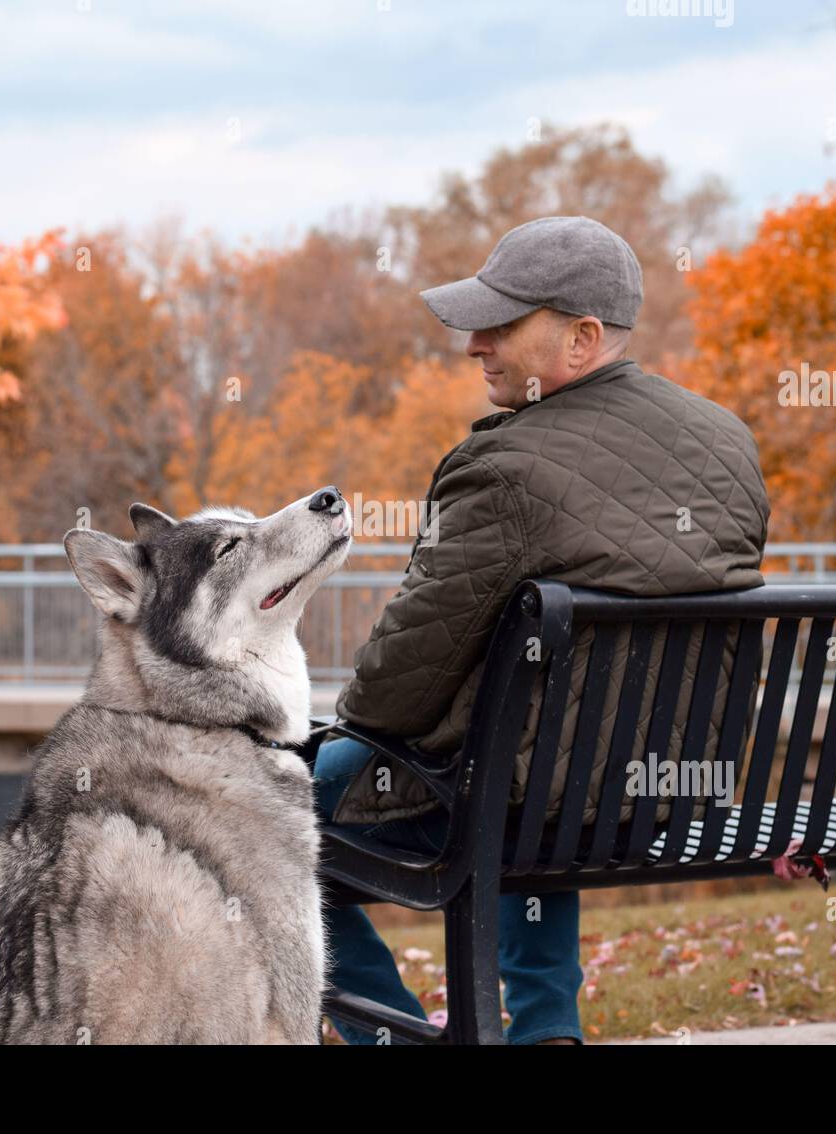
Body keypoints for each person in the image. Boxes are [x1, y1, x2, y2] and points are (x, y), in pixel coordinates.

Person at [314, 215, 770, 1045]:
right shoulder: (726, 445)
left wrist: (352, 727)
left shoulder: (504, 468)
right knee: (546, 754)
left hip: (526, 794)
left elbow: (397, 686)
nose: (473, 345)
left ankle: (393, 1036)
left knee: (264, 816)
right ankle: (546, 1029)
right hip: (663, 788)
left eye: (501, 324)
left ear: (582, 338)